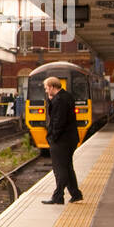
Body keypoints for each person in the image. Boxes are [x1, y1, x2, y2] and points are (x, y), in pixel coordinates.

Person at [42, 75, 82, 205]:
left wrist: (52, 137)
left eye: (47, 88)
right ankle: (75, 194)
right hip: (69, 138)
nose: (46, 91)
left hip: (62, 140)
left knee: (60, 169)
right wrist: (50, 101)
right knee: (67, 166)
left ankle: (58, 196)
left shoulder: (59, 100)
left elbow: (57, 121)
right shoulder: (66, 96)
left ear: (53, 87)